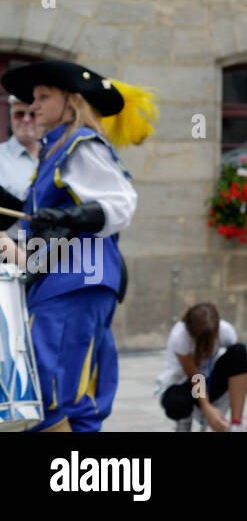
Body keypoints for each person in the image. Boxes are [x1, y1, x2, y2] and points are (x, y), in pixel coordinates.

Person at [0, 59, 156, 432]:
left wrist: (68, 219)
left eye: (42, 97)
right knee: (55, 386)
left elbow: (121, 203)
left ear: (72, 102)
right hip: (59, 281)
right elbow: (41, 226)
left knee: (54, 384)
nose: (33, 106)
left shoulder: (81, 145)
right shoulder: (54, 150)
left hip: (78, 279)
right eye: (31, 99)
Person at [155, 302, 247, 432]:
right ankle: (183, 425)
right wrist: (207, 409)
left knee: (239, 351)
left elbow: (242, 366)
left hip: (209, 381)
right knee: (177, 402)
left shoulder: (224, 330)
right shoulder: (180, 336)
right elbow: (195, 376)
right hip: (185, 384)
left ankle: (236, 425)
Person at [0, 96, 40, 221]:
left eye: (33, 114)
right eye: (19, 114)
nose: (26, 119)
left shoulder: (58, 156)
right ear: (11, 118)